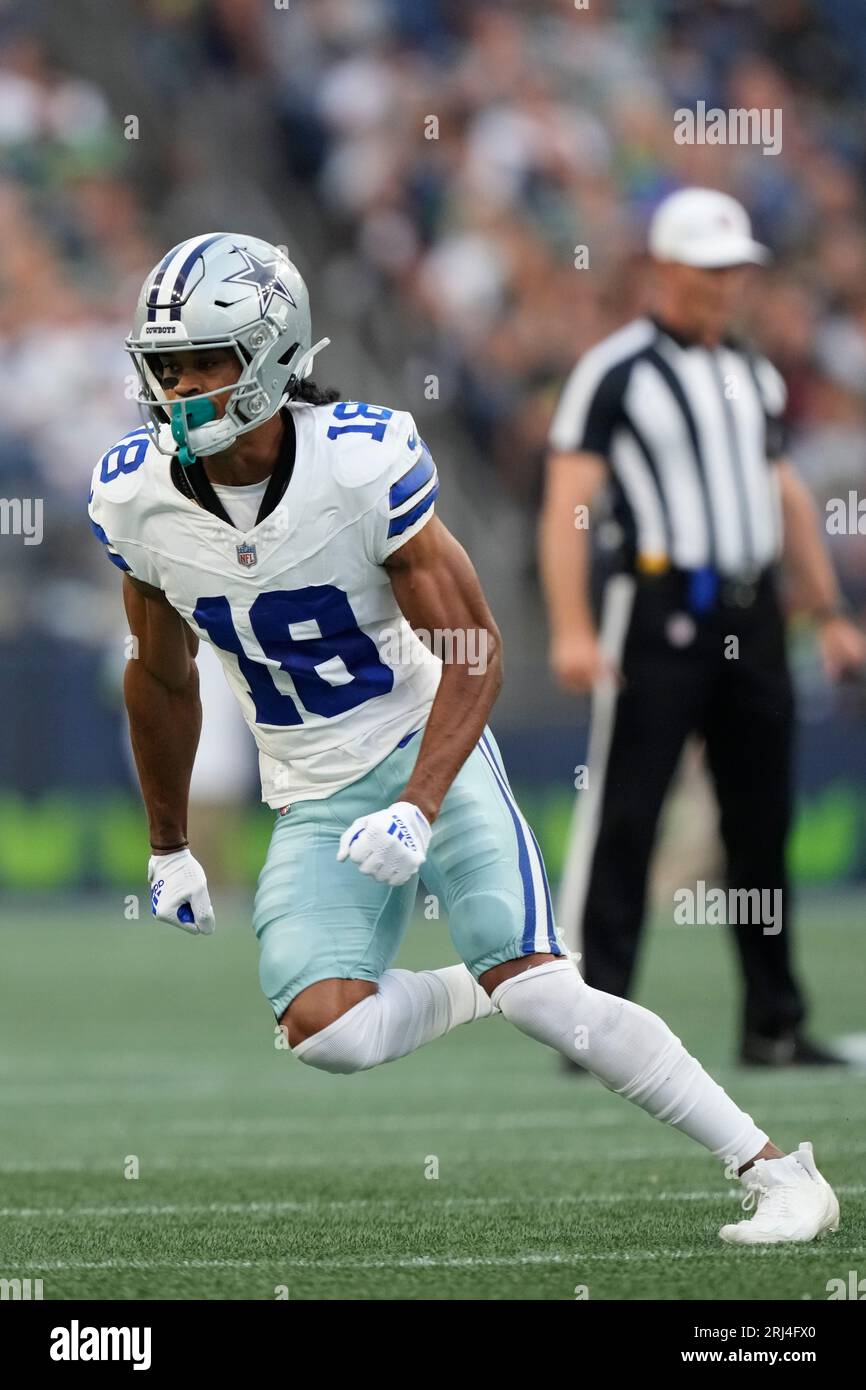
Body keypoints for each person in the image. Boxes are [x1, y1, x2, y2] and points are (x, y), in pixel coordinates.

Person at [89, 231, 841, 1243]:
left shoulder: (358, 464)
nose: (179, 387)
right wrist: (170, 843)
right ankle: (476, 989)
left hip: (419, 742)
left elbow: (474, 647)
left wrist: (417, 803)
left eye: (206, 362)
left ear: (272, 355)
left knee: (542, 993)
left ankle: (773, 1167)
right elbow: (163, 674)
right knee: (327, 1032)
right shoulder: (135, 498)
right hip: (310, 788)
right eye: (165, 364)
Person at [541, 188, 866, 1067]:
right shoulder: (616, 370)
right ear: (667, 267)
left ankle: (775, 1022)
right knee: (627, 808)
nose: (726, 285)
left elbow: (784, 493)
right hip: (656, 608)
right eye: (711, 267)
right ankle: (592, 1021)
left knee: (760, 818)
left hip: (754, 612)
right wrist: (572, 626)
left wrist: (826, 609)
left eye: (736, 269)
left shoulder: (753, 373)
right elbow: (569, 499)